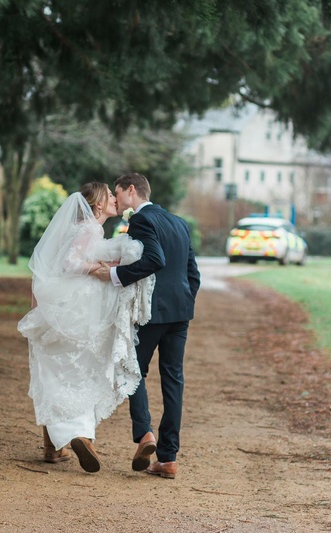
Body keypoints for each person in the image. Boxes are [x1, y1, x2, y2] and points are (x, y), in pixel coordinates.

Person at [17, 182, 155, 473]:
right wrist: (100, 268)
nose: (114, 201)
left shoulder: (82, 229)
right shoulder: (89, 229)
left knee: (56, 372)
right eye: (109, 197)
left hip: (66, 309)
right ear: (97, 205)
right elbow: (69, 264)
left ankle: (55, 448)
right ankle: (80, 436)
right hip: (80, 312)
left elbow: (46, 268)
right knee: (82, 370)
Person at [92, 172, 200, 480]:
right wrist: (185, 301)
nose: (116, 198)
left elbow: (155, 259)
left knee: (132, 370)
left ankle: (144, 435)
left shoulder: (140, 221)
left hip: (152, 312)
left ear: (131, 190)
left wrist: (114, 276)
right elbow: (193, 274)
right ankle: (168, 458)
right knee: (173, 380)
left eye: (117, 192)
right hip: (180, 313)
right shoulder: (180, 224)